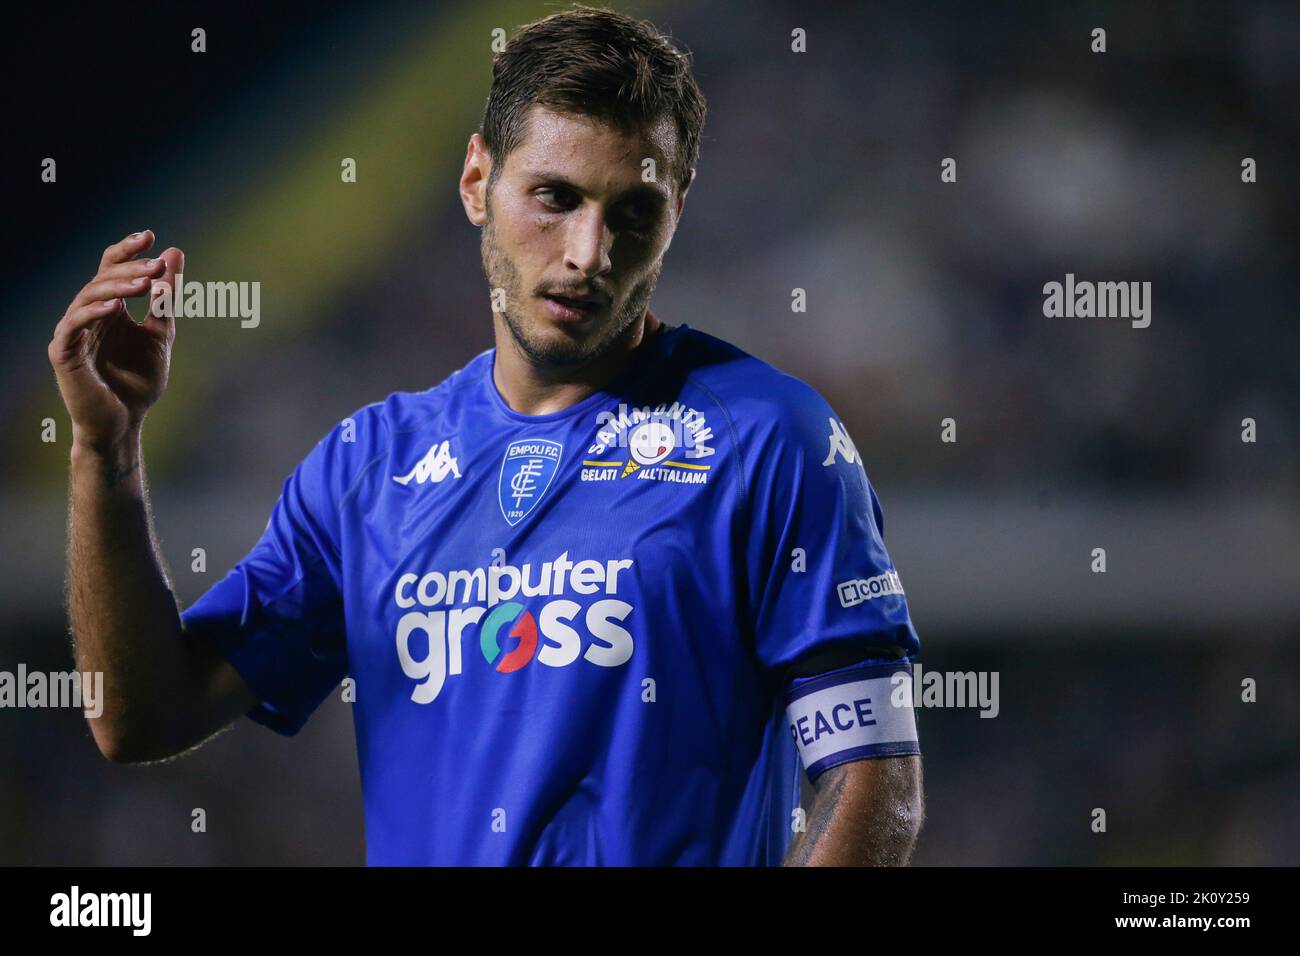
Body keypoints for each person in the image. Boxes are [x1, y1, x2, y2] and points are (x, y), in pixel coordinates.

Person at [48, 5, 923, 866]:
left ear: (679, 209)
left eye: (633, 212)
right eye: (555, 196)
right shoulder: (368, 468)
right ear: (477, 182)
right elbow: (139, 717)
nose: (589, 251)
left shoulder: (770, 440)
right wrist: (107, 450)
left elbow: (875, 783)